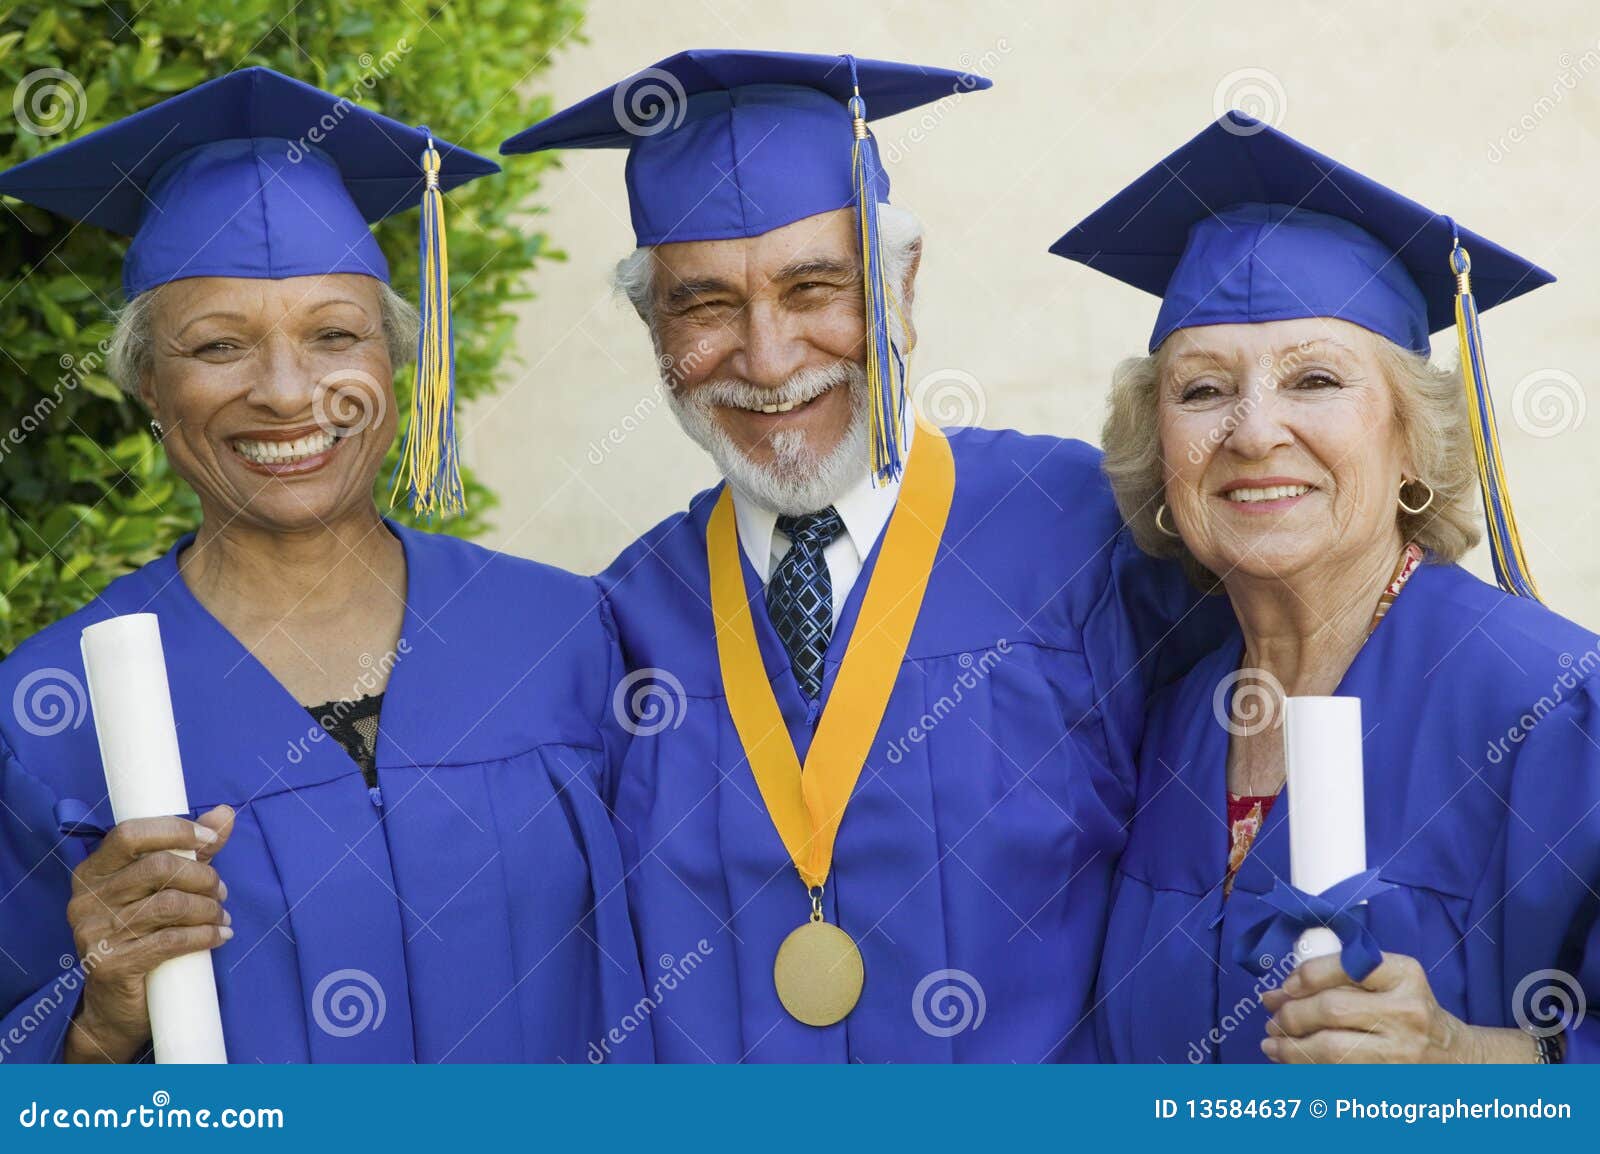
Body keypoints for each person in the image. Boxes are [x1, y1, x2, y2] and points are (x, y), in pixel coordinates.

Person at [499, 49, 1222, 1062]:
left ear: (901, 285)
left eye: (813, 288)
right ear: (649, 324)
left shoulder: (1098, 535)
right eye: (703, 304)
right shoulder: (619, 621)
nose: (766, 354)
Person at [0, 67, 649, 1063]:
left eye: (334, 335)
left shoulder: (572, 638)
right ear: (146, 385)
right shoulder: (47, 711)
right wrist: (95, 1022)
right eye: (217, 345)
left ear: (395, 361)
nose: (286, 390)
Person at [1053, 112, 1600, 1063]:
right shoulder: (1165, 715)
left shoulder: (1552, 707)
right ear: (1162, 455)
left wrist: (1466, 1059)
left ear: (1410, 442)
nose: (1255, 432)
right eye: (1203, 391)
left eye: (1313, 380)